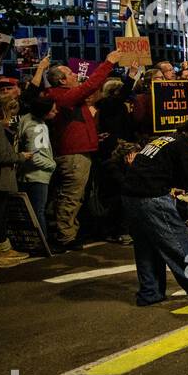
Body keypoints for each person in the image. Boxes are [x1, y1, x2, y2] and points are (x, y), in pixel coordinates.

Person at [120, 114, 188, 305]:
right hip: (152, 197)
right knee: (179, 242)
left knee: (146, 247)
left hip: (130, 196)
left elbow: (165, 171)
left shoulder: (163, 139)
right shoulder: (185, 147)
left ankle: (150, 292)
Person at [41, 49, 121, 249]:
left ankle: (67, 231)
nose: (75, 75)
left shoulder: (63, 96)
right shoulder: (61, 96)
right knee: (71, 196)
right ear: (61, 81)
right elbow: (89, 86)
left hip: (78, 152)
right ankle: (65, 236)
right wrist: (108, 63)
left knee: (71, 195)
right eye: (70, 73)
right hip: (73, 155)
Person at [0, 96, 29, 267]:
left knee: (1, 216)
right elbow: (1, 156)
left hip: (1, 179)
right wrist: (21, 156)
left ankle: (2, 248)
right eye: (11, 114)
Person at [16, 94, 56, 242]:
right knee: (38, 212)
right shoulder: (38, 128)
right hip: (37, 176)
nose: (55, 112)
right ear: (43, 112)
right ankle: (42, 243)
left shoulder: (25, 119)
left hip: (25, 175)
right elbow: (35, 156)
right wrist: (52, 165)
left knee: (30, 212)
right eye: (52, 110)